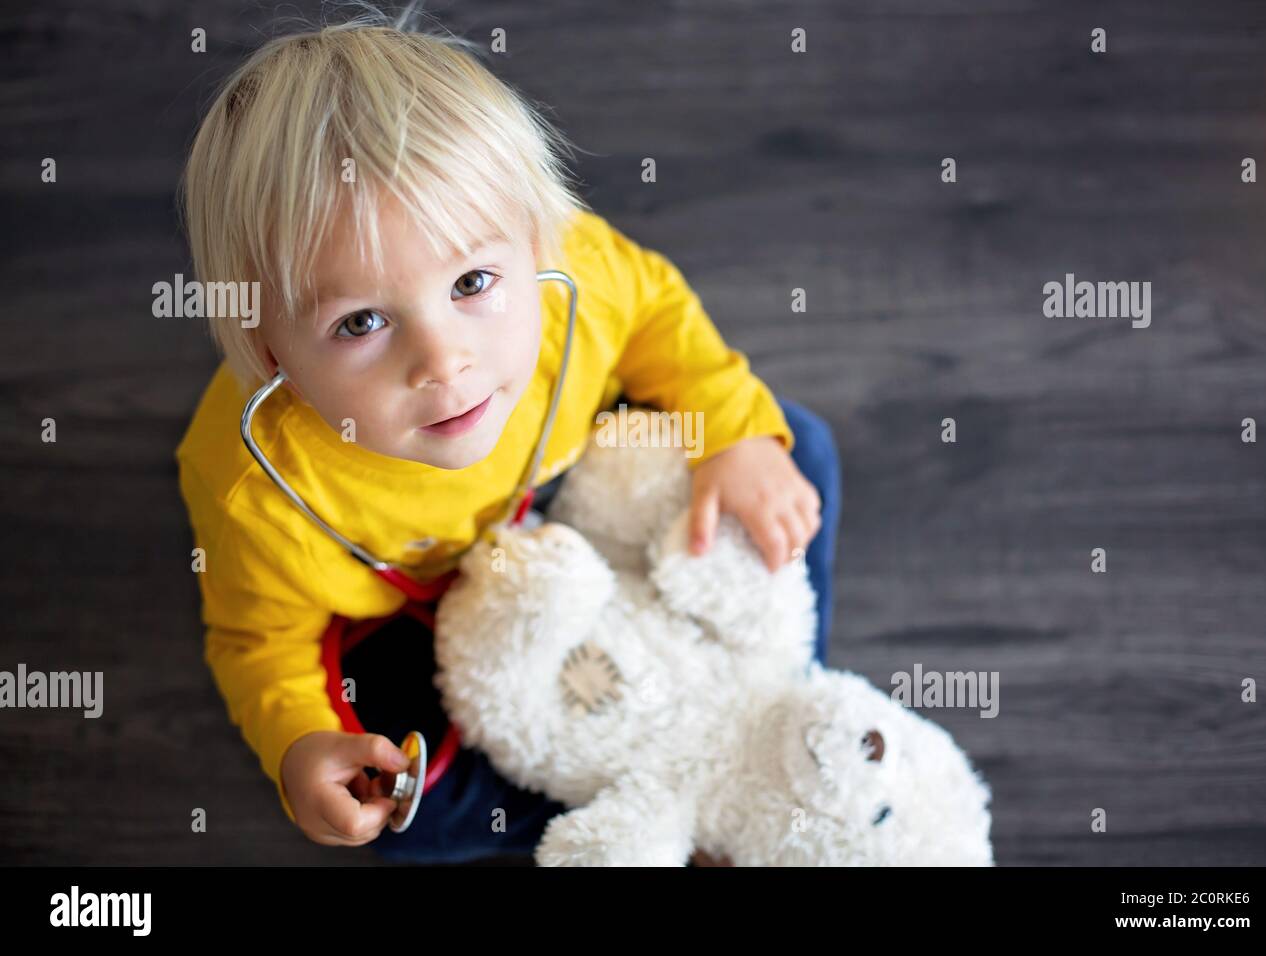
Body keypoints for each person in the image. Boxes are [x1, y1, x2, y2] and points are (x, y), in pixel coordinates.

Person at [174, 10, 840, 864]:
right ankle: (651, 783)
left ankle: (766, 700)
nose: (444, 361)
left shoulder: (581, 282)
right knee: (404, 820)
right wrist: (301, 744)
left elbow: (656, 316)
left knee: (794, 450)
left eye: (474, 281)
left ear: (538, 245)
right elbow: (257, 642)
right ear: (271, 351)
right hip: (445, 614)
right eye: (363, 322)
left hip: (583, 502)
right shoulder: (259, 493)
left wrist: (733, 437)